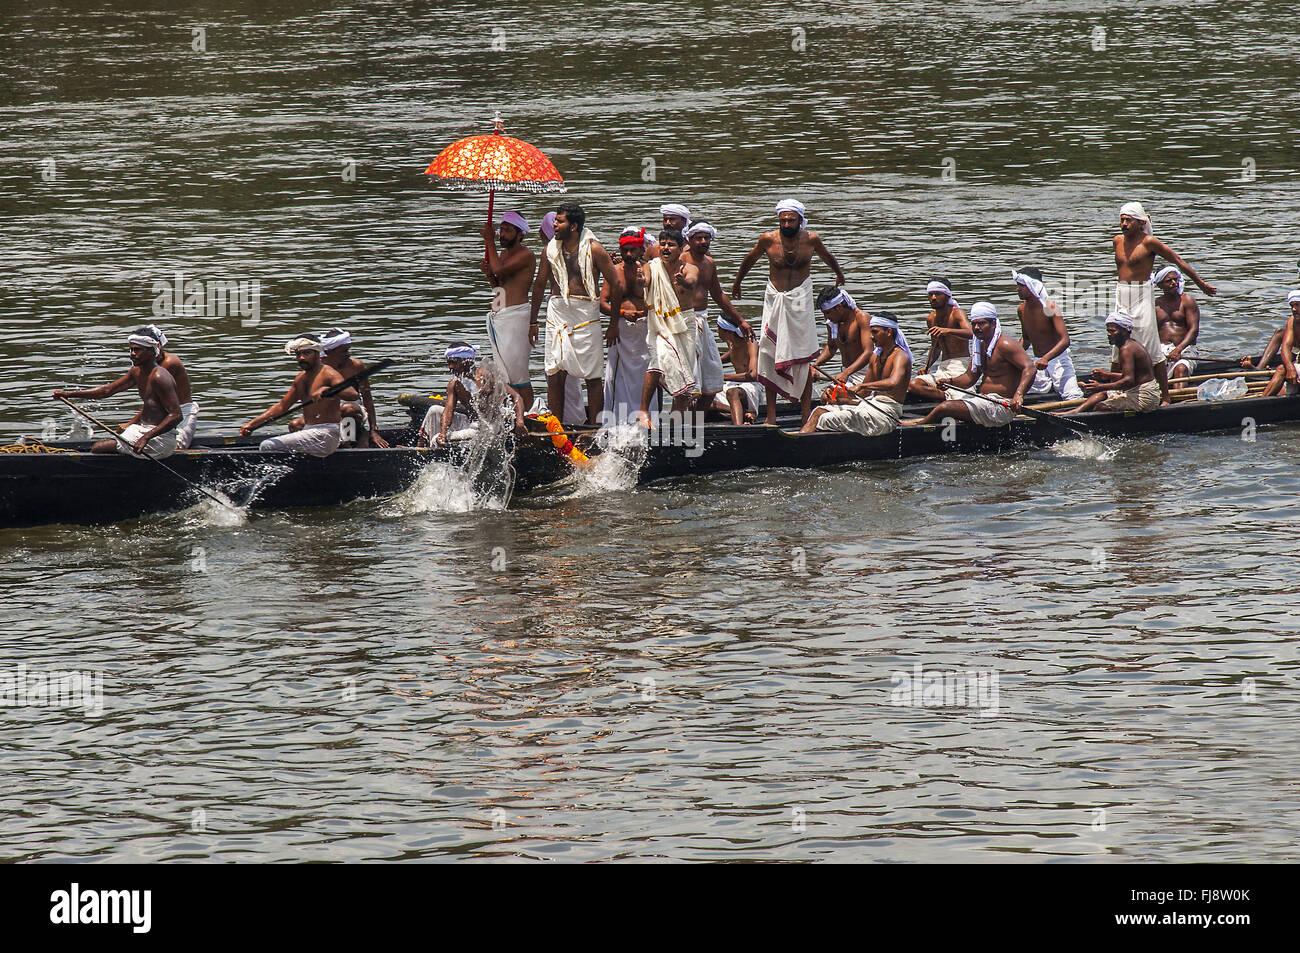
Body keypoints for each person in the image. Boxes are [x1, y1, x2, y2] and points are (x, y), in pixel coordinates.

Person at [731, 199, 846, 425]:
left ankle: (806, 416)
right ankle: (771, 417)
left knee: (803, 359)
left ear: (800, 220)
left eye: (791, 220)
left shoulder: (811, 239)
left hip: (801, 300)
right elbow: (749, 259)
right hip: (775, 299)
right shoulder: (768, 239)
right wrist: (738, 282)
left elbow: (827, 256)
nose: (786, 223)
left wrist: (839, 274)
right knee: (769, 353)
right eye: (782, 220)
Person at [1113, 201, 1216, 405]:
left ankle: (1165, 396)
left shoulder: (1149, 242)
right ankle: (1116, 392)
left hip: (1141, 295)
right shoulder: (1117, 241)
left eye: (1128, 220)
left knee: (1151, 345)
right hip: (1121, 294)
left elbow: (1178, 261)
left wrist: (1200, 283)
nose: (1123, 224)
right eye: (1122, 220)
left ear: (1140, 222)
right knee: (1118, 342)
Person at [529, 203, 622, 425]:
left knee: (592, 376)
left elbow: (616, 284)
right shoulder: (549, 250)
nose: (554, 225)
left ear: (574, 226)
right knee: (554, 373)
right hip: (557, 312)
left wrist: (614, 324)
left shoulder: (595, 249)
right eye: (555, 220)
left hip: (586, 313)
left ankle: (595, 430)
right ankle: (556, 430)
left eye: (559, 221)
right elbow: (540, 285)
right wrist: (533, 322)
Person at [902, 302, 1035, 429]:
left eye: (981, 323)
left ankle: (918, 425)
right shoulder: (981, 345)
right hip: (984, 400)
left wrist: (1019, 395)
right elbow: (969, 378)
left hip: (1002, 405)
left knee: (945, 407)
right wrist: (950, 381)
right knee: (948, 409)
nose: (977, 328)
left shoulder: (1006, 344)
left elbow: (1030, 368)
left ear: (993, 323)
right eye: (974, 324)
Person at [52, 328, 182, 457]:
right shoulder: (136, 372)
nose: (132, 354)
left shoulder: (160, 377)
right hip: (143, 430)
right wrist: (68, 394)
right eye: (131, 349)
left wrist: (146, 438)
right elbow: (106, 391)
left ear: (150, 351)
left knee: (99, 448)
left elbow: (176, 415)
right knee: (111, 440)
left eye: (137, 350)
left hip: (161, 438)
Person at [681, 221, 752, 413]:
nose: (703, 242)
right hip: (684, 322)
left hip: (702, 321)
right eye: (698, 238)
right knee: (688, 382)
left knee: (713, 376)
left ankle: (695, 422)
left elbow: (718, 295)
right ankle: (680, 427)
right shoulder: (680, 261)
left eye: (706, 238)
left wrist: (741, 321)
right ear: (689, 239)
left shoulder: (709, 263)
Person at [801, 313, 912, 436]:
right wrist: (840, 394)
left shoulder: (901, 356)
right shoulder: (875, 357)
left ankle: (803, 444)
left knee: (826, 418)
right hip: (870, 404)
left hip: (886, 412)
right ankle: (800, 440)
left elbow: (893, 382)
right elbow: (863, 394)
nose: (871, 336)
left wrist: (863, 386)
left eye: (875, 332)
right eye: (870, 332)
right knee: (819, 411)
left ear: (889, 332)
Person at [241, 334, 350, 456]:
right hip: (310, 431)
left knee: (268, 446)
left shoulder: (328, 373)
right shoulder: (300, 379)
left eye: (307, 353)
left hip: (326, 434)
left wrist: (328, 389)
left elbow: (352, 394)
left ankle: (275, 474)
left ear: (317, 353)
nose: (301, 358)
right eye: (298, 354)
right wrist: (252, 424)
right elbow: (282, 406)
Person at [639, 228, 699, 425]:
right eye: (662, 244)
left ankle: (674, 426)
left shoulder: (689, 268)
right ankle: (643, 412)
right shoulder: (651, 266)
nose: (665, 248)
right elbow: (646, 280)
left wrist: (683, 281)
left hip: (685, 324)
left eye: (670, 245)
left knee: (683, 378)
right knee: (657, 362)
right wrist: (641, 280)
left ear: (680, 248)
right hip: (660, 324)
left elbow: (691, 282)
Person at [417, 343, 527, 446]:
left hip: (492, 427)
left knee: (435, 438)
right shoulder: (454, 384)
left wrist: (520, 422)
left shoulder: (487, 377)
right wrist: (443, 433)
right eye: (448, 363)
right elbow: (448, 410)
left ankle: (433, 450)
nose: (450, 367)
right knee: (434, 410)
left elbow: (516, 397)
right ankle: (420, 449)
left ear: (468, 361)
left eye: (454, 362)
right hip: (472, 423)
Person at [480, 210, 538, 407]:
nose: (501, 234)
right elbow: (499, 287)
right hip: (500, 317)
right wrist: (489, 276)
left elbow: (498, 269)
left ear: (519, 233)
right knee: (504, 375)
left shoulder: (526, 255)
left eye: (507, 230)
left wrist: (489, 241)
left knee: (518, 374)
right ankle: (512, 415)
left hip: (516, 318)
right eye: (500, 230)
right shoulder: (503, 254)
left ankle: (528, 415)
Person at [601, 227, 656, 425]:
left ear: (641, 250)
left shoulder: (649, 269)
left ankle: (648, 420)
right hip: (621, 329)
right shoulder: (614, 271)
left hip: (645, 330)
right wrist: (620, 316)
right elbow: (603, 303)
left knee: (648, 374)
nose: (629, 254)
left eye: (633, 250)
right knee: (615, 378)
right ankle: (615, 423)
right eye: (625, 251)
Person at [1012, 267, 1083, 400]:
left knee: (1073, 397)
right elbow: (1026, 340)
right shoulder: (1021, 310)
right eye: (1018, 285)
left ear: (1032, 285)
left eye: (1021, 285)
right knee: (1016, 389)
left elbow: (1065, 340)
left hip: (1059, 361)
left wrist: (1046, 358)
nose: (1018, 289)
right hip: (1037, 363)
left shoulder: (1050, 307)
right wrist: (1012, 356)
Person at [1067, 313, 1160, 413]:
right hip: (1139, 391)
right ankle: (1075, 412)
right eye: (1108, 331)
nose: (1108, 334)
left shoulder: (1126, 349)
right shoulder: (1130, 345)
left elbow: (1128, 380)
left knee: (1100, 407)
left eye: (1112, 331)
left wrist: (1100, 386)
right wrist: (1107, 375)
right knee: (1103, 393)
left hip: (1145, 397)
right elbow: (1131, 376)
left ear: (1124, 331)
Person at [909, 278, 971, 399]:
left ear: (947, 295)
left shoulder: (957, 313)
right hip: (942, 368)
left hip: (961, 366)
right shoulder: (931, 319)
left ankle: (950, 398)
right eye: (930, 294)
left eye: (937, 294)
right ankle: (946, 397)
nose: (933, 298)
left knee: (962, 396)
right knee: (914, 385)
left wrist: (947, 330)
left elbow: (971, 333)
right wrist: (926, 367)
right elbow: (936, 347)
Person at [138, 325, 198, 449]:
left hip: (182, 414)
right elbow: (108, 390)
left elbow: (154, 404)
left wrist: (129, 423)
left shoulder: (168, 364)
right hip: (164, 416)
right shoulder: (144, 368)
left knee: (173, 447)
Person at [810, 286, 873, 391]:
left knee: (830, 396)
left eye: (827, 313)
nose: (826, 318)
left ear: (838, 307)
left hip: (865, 373)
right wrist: (815, 365)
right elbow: (831, 347)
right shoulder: (832, 322)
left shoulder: (862, 318)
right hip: (846, 373)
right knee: (827, 395)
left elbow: (868, 352)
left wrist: (846, 373)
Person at [1152, 265, 1201, 382]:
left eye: (1176, 279)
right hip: (1162, 350)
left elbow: (1193, 330)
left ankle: (1180, 399)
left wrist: (1178, 350)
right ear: (1159, 285)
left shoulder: (1187, 301)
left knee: (1180, 369)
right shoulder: (1155, 304)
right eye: (1169, 281)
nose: (1174, 283)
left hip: (1185, 349)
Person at [714, 315, 762, 424]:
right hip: (733, 383)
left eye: (719, 328)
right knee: (703, 395)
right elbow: (733, 355)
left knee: (732, 393)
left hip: (751, 386)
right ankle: (741, 413)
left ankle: (739, 428)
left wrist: (723, 377)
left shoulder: (751, 343)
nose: (717, 331)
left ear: (729, 332)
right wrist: (714, 363)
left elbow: (753, 375)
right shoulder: (730, 342)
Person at [1261, 292, 1300, 396]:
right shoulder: (1292, 321)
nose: (1294, 309)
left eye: (1297, 305)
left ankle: (1259, 403)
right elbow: (1285, 347)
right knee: (1280, 392)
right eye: (1292, 306)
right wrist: (1290, 367)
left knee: (1281, 369)